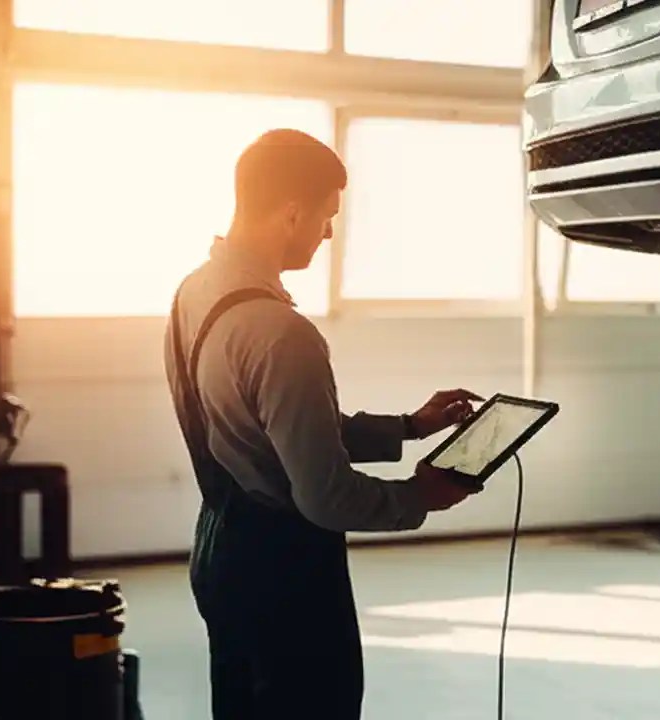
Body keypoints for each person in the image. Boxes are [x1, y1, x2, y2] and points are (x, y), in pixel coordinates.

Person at [164, 128, 481, 719]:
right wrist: (420, 496)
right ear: (290, 213)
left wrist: (410, 426)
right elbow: (325, 497)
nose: (329, 232)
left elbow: (279, 427)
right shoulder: (282, 334)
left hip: (222, 549)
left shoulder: (195, 292)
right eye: (326, 216)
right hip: (285, 574)